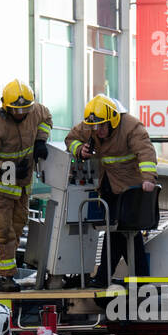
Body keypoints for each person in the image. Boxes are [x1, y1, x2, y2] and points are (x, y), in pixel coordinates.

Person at [65, 94, 159, 286]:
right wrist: (79, 149)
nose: (97, 131)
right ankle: (137, 279)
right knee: (119, 234)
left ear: (113, 121)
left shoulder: (131, 127)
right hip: (107, 186)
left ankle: (105, 279)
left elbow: (146, 152)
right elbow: (71, 139)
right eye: (94, 127)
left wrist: (148, 179)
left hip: (130, 191)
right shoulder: (92, 124)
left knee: (120, 233)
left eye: (101, 127)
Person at [0, 80, 53, 292]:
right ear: (6, 107)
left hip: (22, 185)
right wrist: (4, 168)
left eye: (25, 109)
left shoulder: (34, 111)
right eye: (17, 110)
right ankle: (5, 277)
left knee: (17, 229)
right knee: (3, 232)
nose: (22, 114)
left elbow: (46, 117)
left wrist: (40, 141)